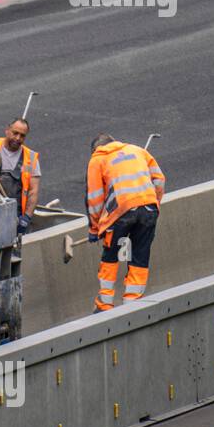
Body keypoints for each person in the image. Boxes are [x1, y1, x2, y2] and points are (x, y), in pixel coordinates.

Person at [85, 134, 166, 312]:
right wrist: (154, 204)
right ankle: (132, 302)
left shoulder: (97, 159)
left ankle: (105, 304)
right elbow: (159, 180)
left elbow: (95, 198)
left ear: (95, 149)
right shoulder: (138, 150)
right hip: (148, 209)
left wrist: (94, 228)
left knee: (111, 256)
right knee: (139, 255)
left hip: (120, 214)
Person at [0, 118, 42, 237]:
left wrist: (26, 218)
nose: (18, 138)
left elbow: (33, 191)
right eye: (15, 133)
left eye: (22, 135)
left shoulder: (30, 158)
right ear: (7, 131)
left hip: (14, 216)